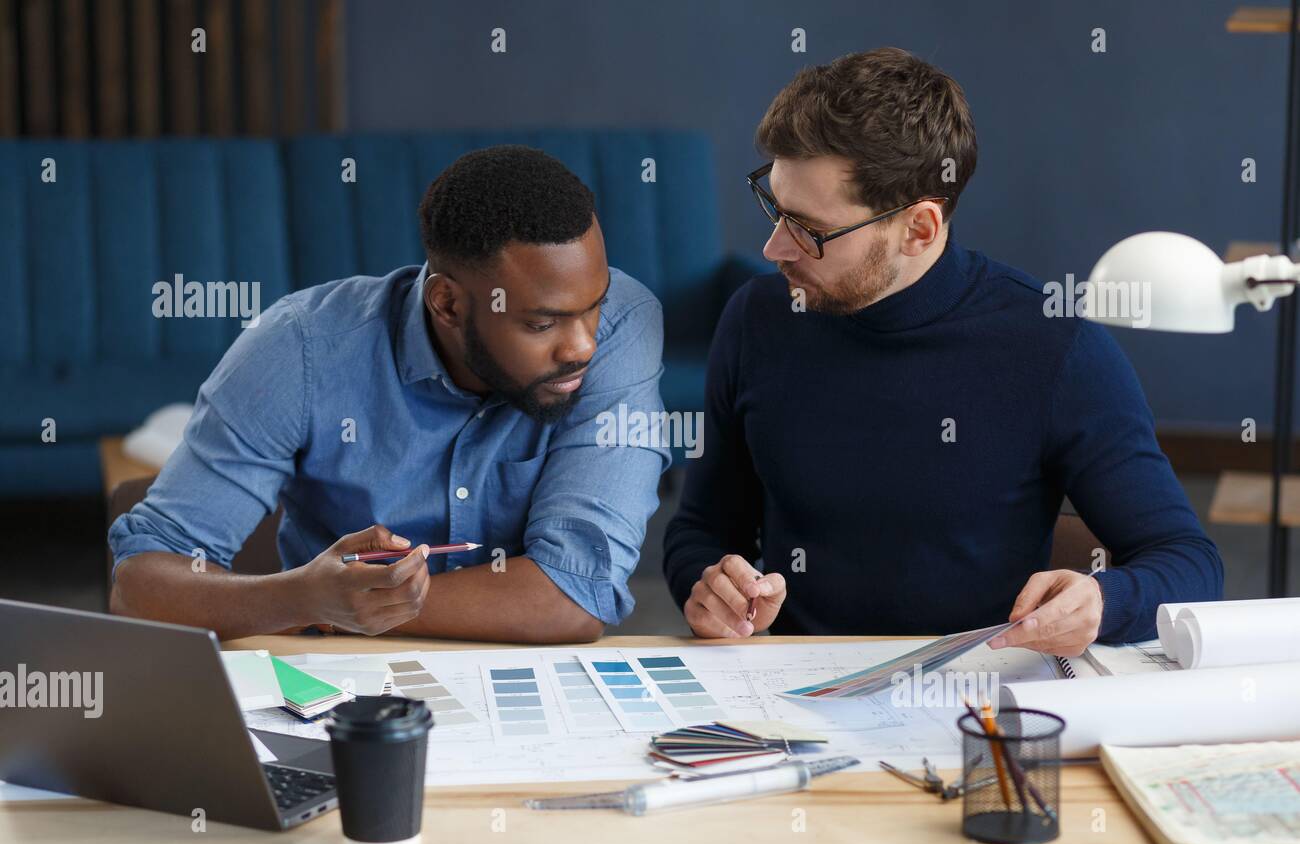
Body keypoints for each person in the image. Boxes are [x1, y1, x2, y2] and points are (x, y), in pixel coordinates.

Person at [663, 48, 1223, 653]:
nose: (775, 248)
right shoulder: (756, 319)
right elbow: (701, 528)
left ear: (920, 228)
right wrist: (708, 586)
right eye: (774, 206)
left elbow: (1190, 563)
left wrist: (1105, 603)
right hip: (788, 694)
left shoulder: (1056, 347)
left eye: (811, 230)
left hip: (975, 700)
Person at [111, 145, 669, 642]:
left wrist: (335, 610)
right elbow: (142, 586)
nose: (583, 346)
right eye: (542, 324)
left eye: (592, 305)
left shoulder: (625, 324)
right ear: (447, 303)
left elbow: (572, 596)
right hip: (337, 689)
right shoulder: (299, 348)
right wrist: (302, 597)